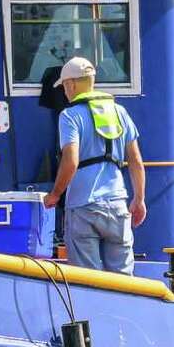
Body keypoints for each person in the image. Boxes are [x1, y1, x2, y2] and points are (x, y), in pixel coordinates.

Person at [42, 56, 146, 273]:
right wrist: (139, 199)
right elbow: (135, 161)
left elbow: (71, 161)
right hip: (117, 204)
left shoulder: (69, 116)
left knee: (87, 280)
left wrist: (55, 194)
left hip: (83, 206)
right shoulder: (120, 112)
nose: (64, 92)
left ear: (71, 84)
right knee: (123, 281)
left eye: (64, 87)